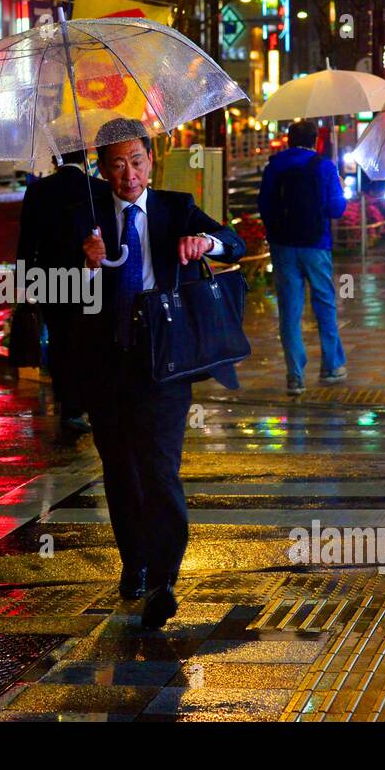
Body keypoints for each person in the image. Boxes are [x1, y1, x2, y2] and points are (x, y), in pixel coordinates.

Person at [72, 118, 245, 630]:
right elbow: (51, 284)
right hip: (107, 363)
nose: (130, 173)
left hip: (164, 360)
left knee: (160, 467)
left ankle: (165, 575)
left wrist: (203, 245)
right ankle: (135, 563)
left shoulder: (174, 207)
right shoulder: (88, 215)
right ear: (103, 170)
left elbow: (230, 242)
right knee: (120, 468)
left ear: (151, 161)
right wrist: (83, 264)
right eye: (118, 164)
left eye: (138, 161)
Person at [15, 149, 109, 437]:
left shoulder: (38, 191)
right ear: (86, 159)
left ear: (55, 159)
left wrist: (24, 285)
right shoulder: (99, 190)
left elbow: (27, 241)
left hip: (49, 278)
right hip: (89, 276)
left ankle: (69, 408)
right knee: (90, 339)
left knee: (59, 341)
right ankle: (92, 402)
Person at [257, 119, 348, 395]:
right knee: (325, 305)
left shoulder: (275, 166)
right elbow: (336, 209)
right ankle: (331, 366)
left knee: (289, 310)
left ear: (288, 139)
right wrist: (340, 189)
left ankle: (295, 375)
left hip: (283, 247)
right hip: (316, 245)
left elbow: (263, 205)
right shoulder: (324, 166)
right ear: (315, 140)